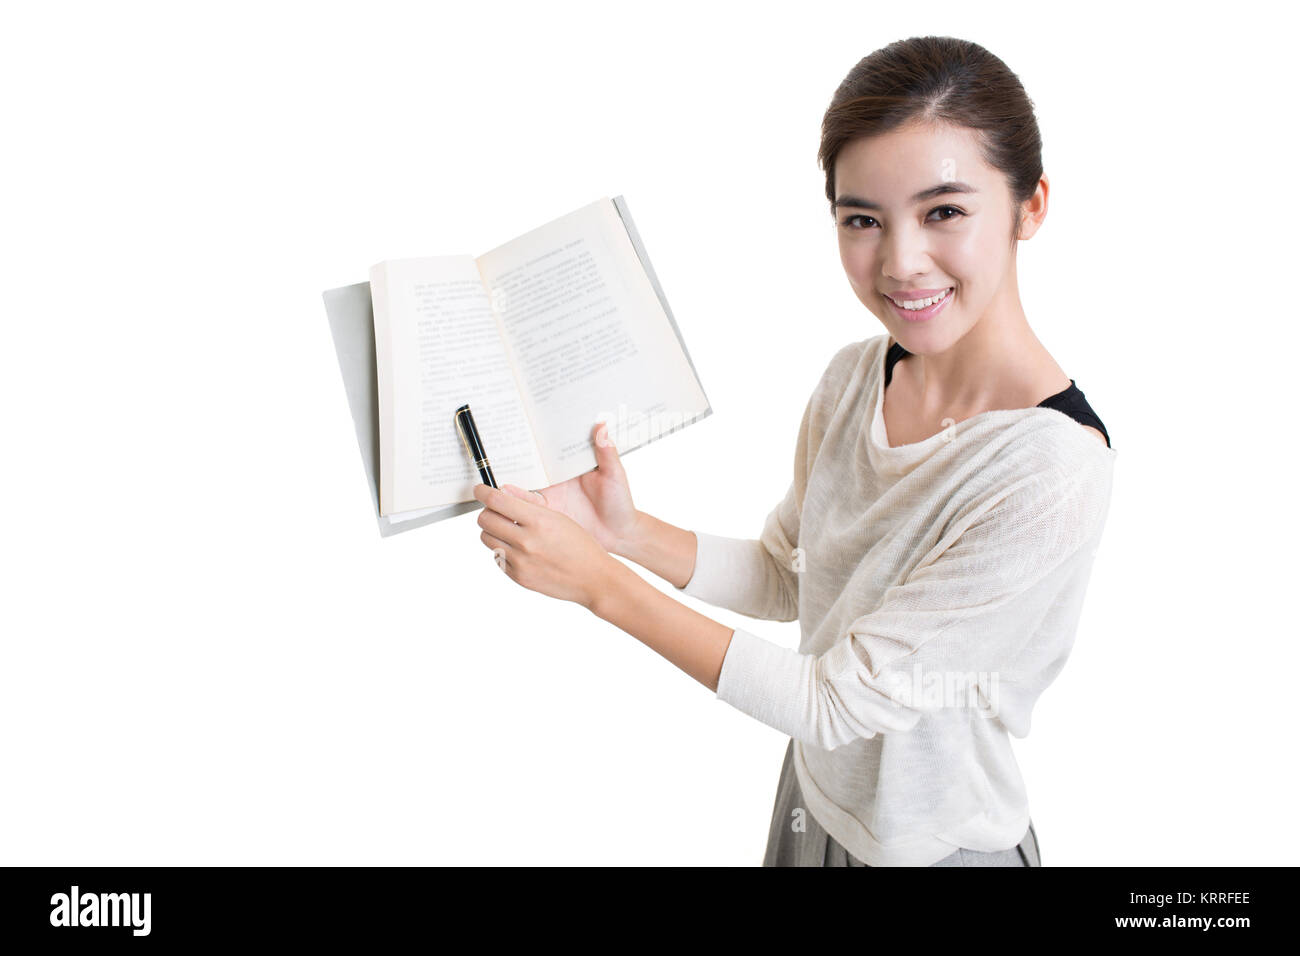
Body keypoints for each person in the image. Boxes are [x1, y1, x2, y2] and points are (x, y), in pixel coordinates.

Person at [472, 35, 1115, 867]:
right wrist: (621, 534)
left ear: (1031, 206)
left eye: (945, 211)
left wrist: (600, 587)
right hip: (815, 797)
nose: (900, 261)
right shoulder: (855, 377)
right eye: (862, 220)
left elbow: (834, 699)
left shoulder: (1049, 470)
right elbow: (792, 573)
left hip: (936, 848)